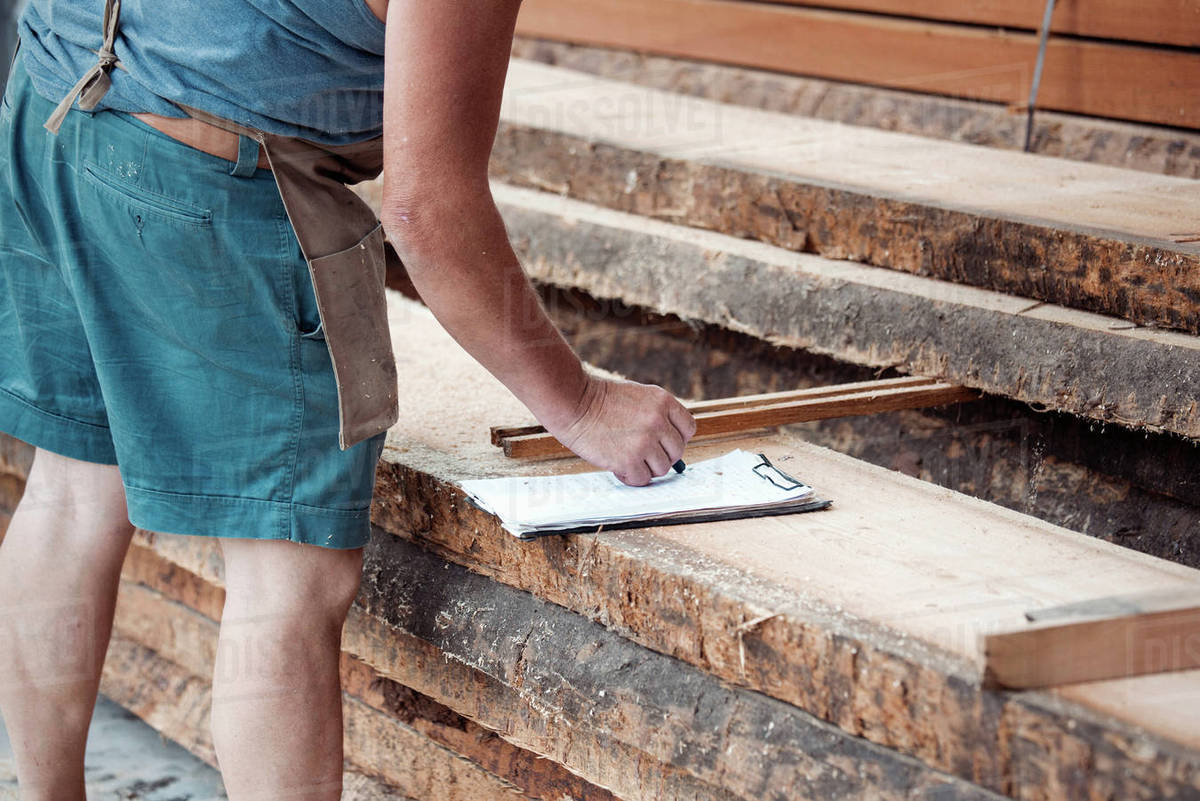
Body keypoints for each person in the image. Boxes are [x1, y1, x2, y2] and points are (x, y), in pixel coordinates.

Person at [0, 1, 697, 798]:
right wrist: (577, 403)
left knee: (72, 491)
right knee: (286, 580)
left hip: (54, 97)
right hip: (201, 162)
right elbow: (425, 210)